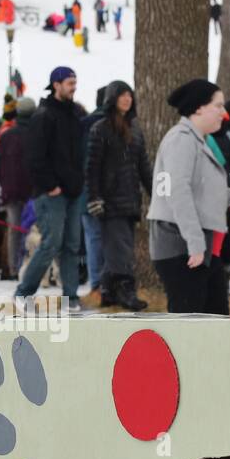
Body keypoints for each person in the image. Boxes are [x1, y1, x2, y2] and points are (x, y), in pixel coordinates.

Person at [148, 78, 230, 314]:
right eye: (218, 105)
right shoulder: (182, 139)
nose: (223, 113)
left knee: (215, 316)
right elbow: (179, 192)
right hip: (181, 245)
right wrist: (195, 243)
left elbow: (202, 194)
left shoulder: (199, 140)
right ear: (198, 108)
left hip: (198, 244)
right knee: (191, 322)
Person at [16, 67, 86, 310]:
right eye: (69, 82)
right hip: (51, 194)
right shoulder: (43, 115)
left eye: (75, 82)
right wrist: (50, 186)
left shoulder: (76, 113)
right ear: (56, 84)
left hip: (74, 191)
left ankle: (71, 297)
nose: (73, 86)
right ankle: (23, 293)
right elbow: (34, 157)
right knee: (50, 244)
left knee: (72, 246)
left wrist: (79, 181)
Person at [86, 80, 152, 310]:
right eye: (122, 95)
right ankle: (125, 291)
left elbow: (144, 166)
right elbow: (92, 168)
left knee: (120, 247)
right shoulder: (100, 129)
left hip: (131, 198)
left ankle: (108, 291)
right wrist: (94, 197)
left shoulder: (135, 129)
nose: (127, 99)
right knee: (120, 249)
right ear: (113, 99)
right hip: (109, 200)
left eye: (129, 95)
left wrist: (155, 192)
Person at [0, 97, 35, 279]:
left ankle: (13, 268)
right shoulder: (38, 134)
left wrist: (4, 181)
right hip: (33, 189)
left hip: (10, 189)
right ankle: (31, 266)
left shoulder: (6, 136)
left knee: (14, 229)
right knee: (34, 229)